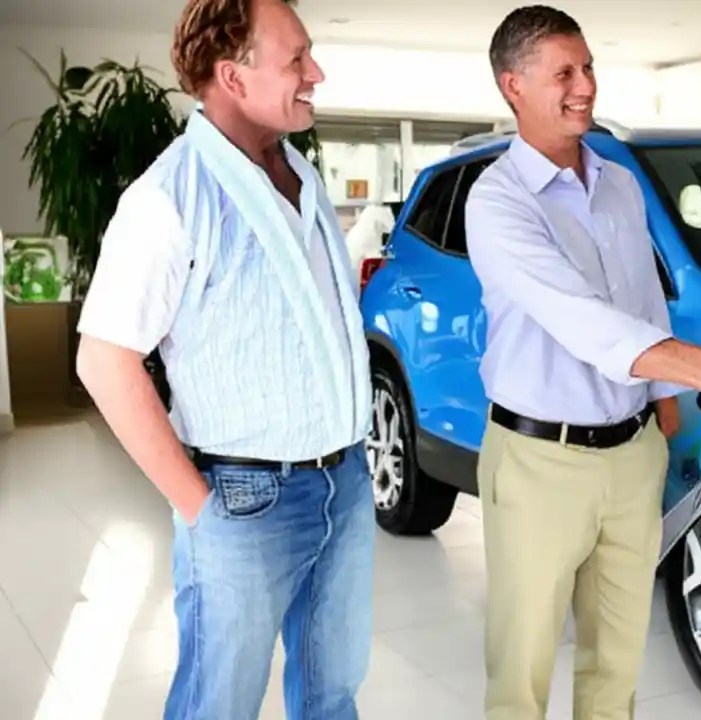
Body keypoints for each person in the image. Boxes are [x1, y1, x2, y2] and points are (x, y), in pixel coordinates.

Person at [465, 6, 701, 719]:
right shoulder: (497, 201)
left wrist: (663, 413)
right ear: (513, 86)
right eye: (564, 72)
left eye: (588, 66)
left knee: (616, 662)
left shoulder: (617, 184)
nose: (585, 85)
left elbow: (644, 301)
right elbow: (587, 324)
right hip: (538, 462)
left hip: (632, 456)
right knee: (520, 673)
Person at [74, 0, 374, 717]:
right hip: (243, 501)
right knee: (218, 704)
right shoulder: (166, 199)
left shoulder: (300, 174)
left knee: (332, 696)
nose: (316, 73)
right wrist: (200, 511)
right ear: (232, 77)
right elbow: (104, 360)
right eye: (296, 58)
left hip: (345, 479)